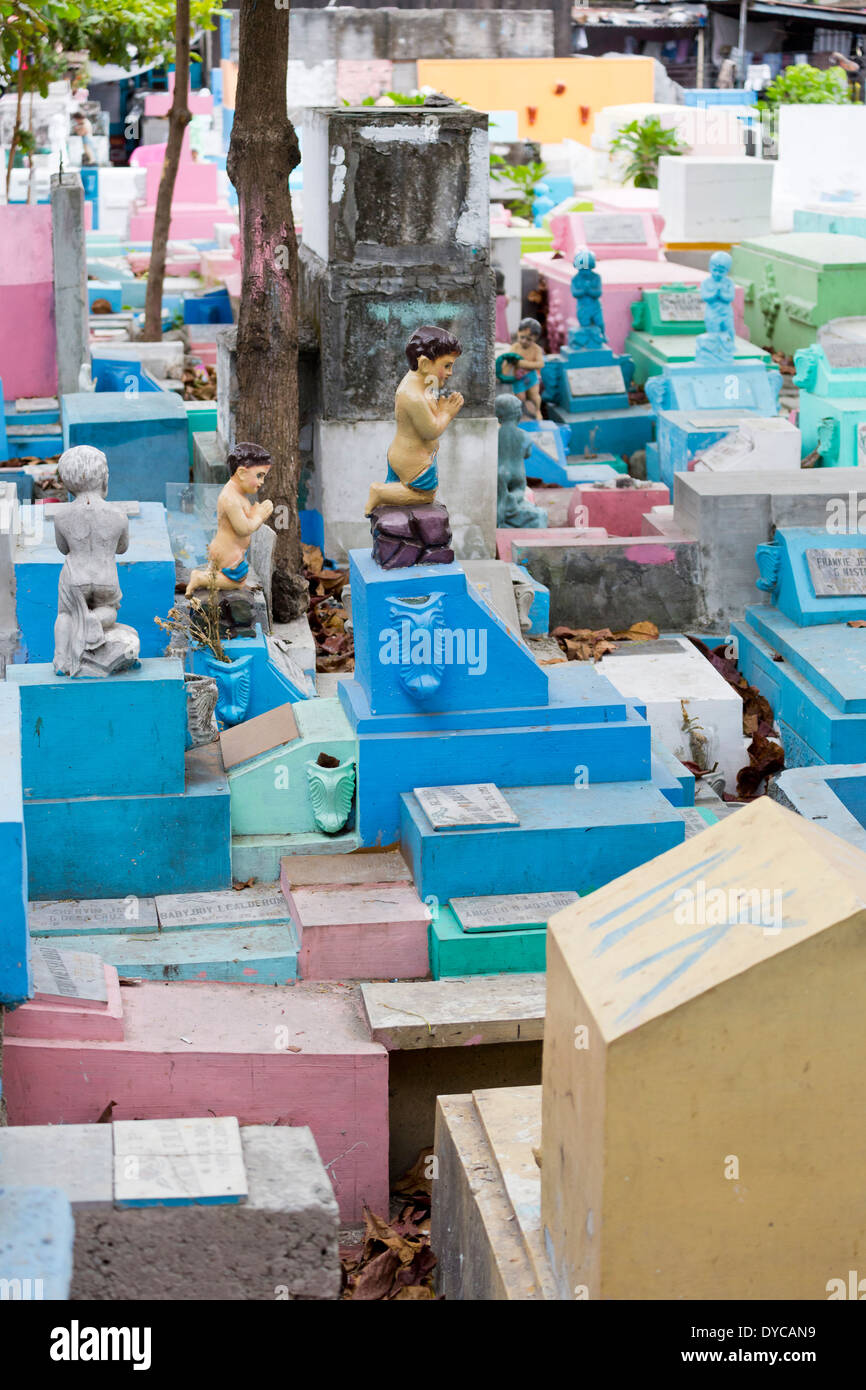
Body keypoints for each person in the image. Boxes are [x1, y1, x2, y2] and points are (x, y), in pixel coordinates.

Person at [365, 325, 464, 515]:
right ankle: (380, 493)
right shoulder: (412, 396)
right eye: (447, 365)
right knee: (425, 495)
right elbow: (430, 431)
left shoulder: (422, 382)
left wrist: (439, 408)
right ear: (425, 364)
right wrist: (448, 413)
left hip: (406, 454)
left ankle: (387, 503)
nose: (451, 372)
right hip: (413, 460)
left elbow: (429, 410)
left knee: (403, 495)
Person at [185, 441, 273, 596]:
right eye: (259, 476)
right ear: (241, 473)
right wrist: (259, 516)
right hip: (228, 551)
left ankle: (207, 579)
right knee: (235, 582)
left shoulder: (237, 494)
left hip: (226, 548)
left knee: (223, 578)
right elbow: (243, 529)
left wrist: (254, 513)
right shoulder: (231, 498)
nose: (261, 482)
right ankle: (199, 578)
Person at [508, 317, 544, 419]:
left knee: (534, 395)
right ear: (518, 333)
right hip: (518, 377)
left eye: (529, 339)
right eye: (522, 337)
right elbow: (509, 359)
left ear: (535, 339)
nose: (524, 341)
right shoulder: (515, 347)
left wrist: (522, 363)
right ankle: (519, 414)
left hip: (531, 376)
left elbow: (540, 364)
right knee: (520, 397)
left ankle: (537, 410)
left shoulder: (536, 349)